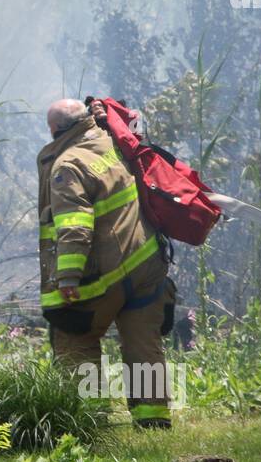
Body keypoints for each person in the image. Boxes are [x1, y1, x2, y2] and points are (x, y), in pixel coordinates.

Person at [38, 98, 176, 428]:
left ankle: (87, 420)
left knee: (75, 335)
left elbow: (74, 225)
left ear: (55, 130)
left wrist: (68, 277)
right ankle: (153, 420)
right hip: (146, 265)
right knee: (143, 342)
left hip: (106, 274)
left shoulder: (67, 166)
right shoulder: (113, 141)